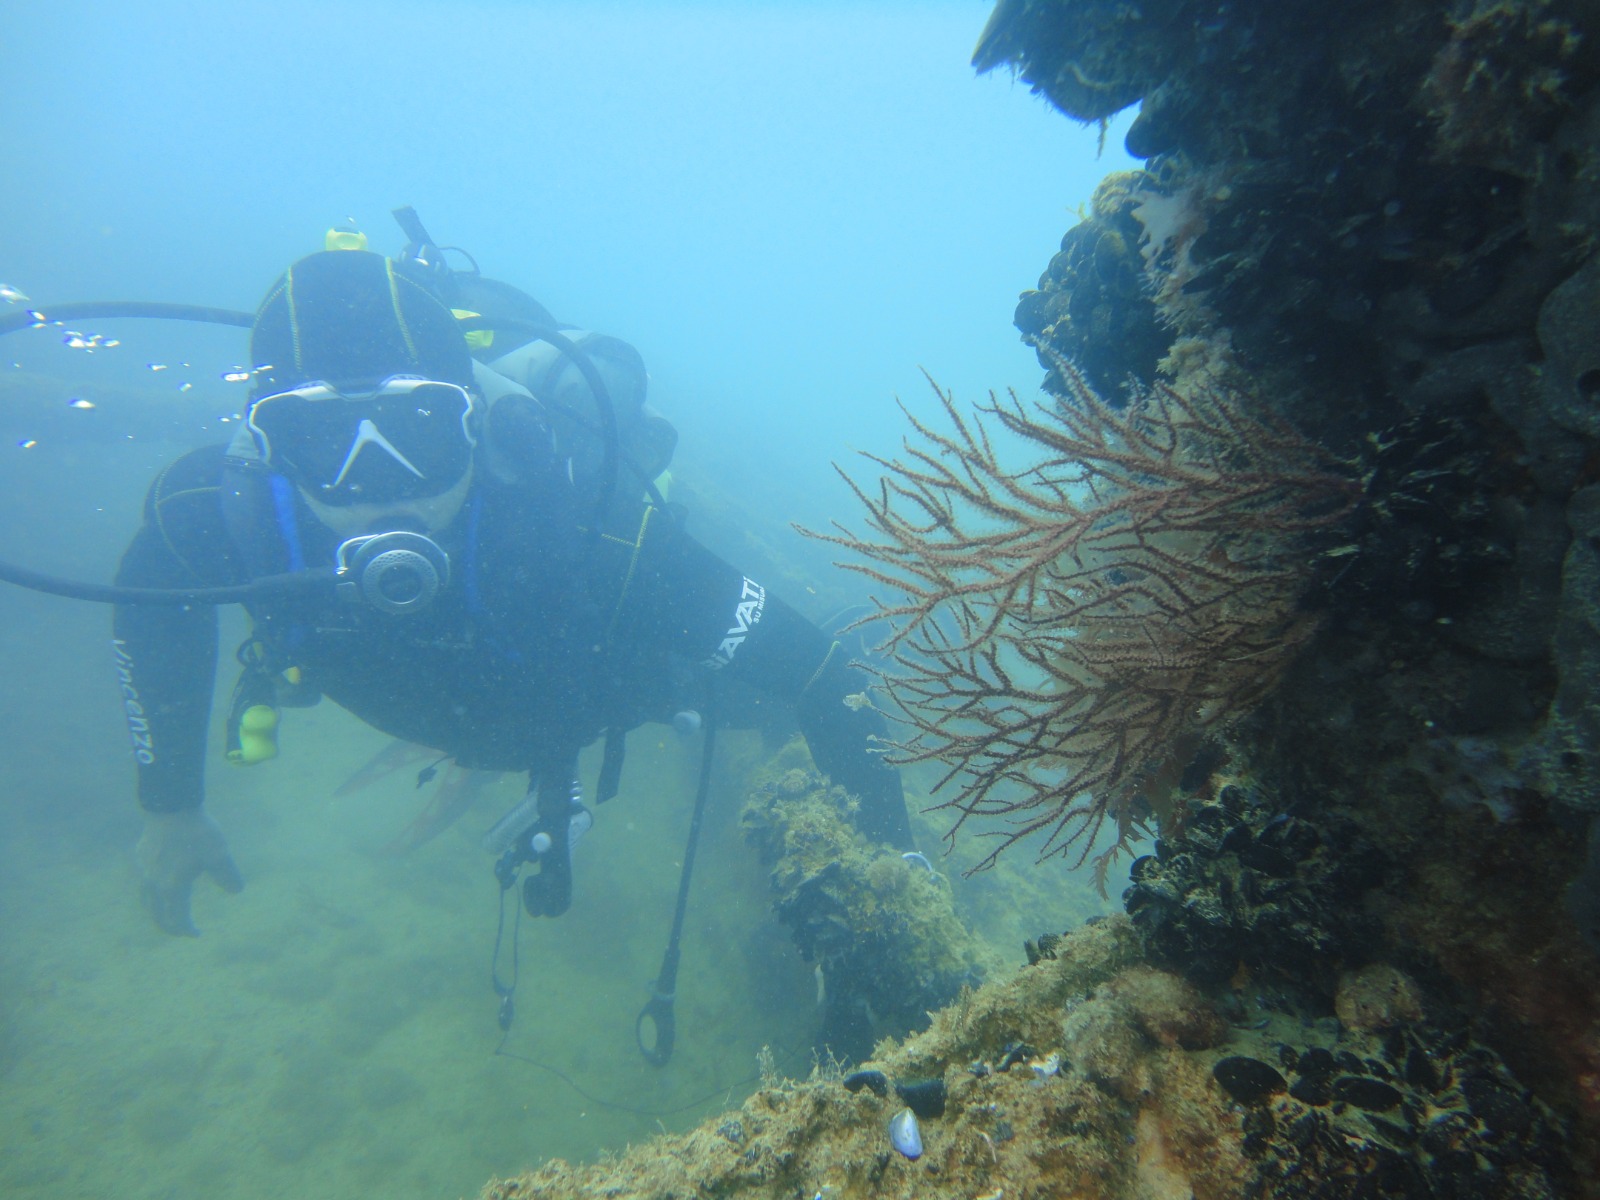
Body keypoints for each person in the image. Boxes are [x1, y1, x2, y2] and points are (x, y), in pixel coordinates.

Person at [114, 243, 911, 1022]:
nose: (381, 491)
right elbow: (148, 601)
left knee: (750, 695)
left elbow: (822, 678)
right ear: (267, 447)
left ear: (475, 420)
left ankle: (871, 618)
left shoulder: (583, 528)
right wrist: (171, 804)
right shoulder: (222, 516)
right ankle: (477, 745)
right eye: (324, 442)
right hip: (479, 708)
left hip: (615, 682)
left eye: (420, 428)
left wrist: (895, 883)